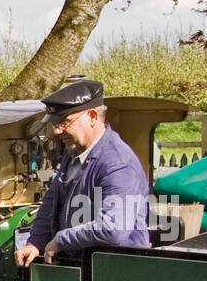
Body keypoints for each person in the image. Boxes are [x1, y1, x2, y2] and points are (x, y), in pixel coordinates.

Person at [15, 79, 150, 267]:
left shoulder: (118, 164)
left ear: (93, 117)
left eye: (65, 122)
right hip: (79, 269)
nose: (57, 131)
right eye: (55, 123)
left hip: (114, 272)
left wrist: (61, 240)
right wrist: (35, 242)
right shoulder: (74, 152)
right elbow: (52, 202)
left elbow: (113, 229)